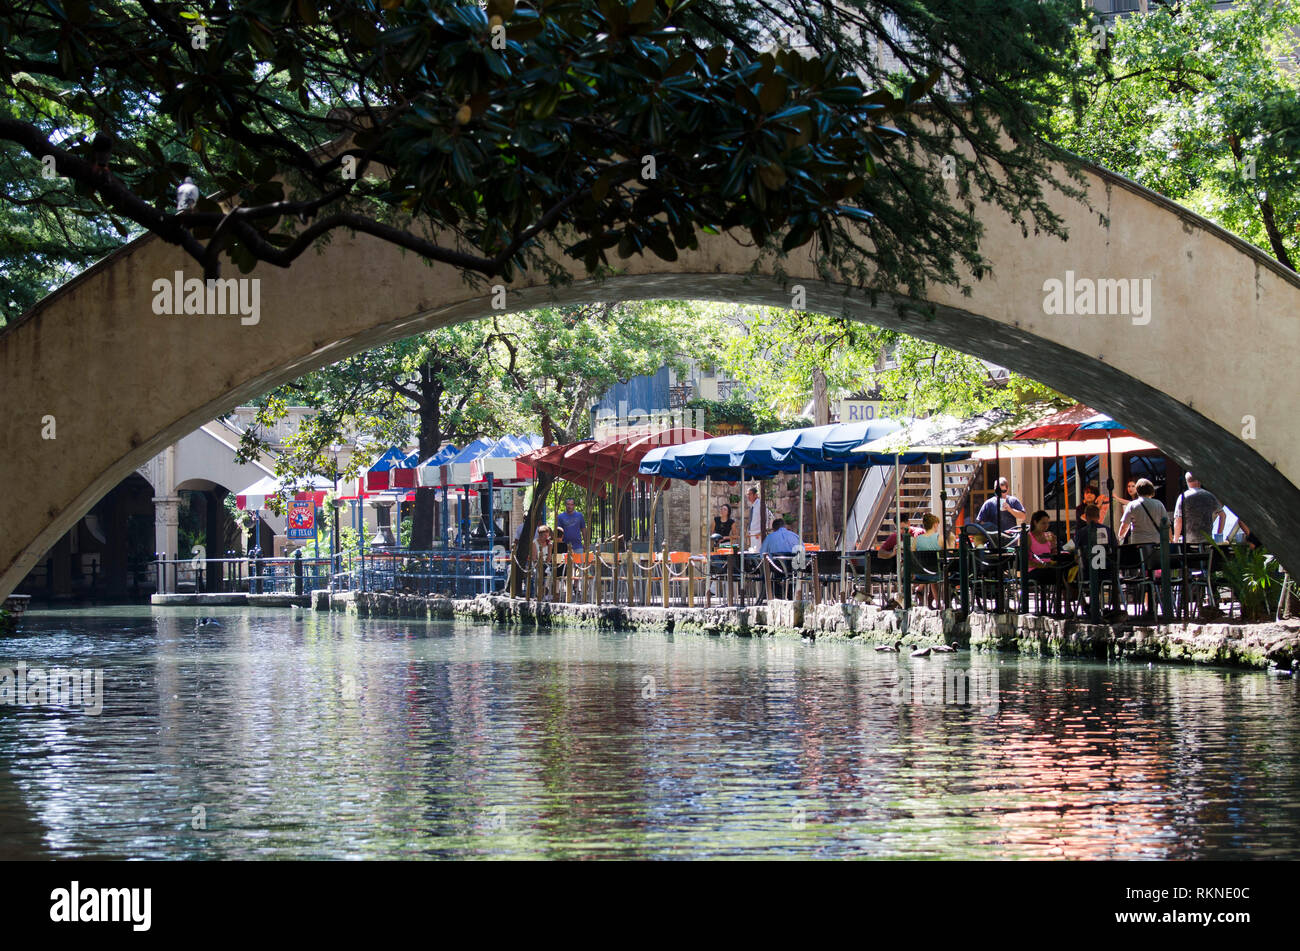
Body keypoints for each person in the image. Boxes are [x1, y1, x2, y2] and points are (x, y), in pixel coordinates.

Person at [1173, 471, 1225, 543]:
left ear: (1187, 482)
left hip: (1189, 541)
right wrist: (1219, 534)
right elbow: (1223, 516)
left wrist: (1175, 540)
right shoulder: (1210, 496)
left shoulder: (1183, 497)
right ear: (1199, 481)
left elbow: (1178, 521)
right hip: (1207, 540)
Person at [1117, 478, 1168, 545]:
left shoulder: (1132, 505)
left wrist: (1119, 538)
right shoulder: (1159, 504)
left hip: (1138, 544)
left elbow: (1124, 527)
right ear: (1151, 490)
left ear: (1137, 490)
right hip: (1156, 543)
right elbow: (1166, 525)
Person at [744, 486, 769, 551]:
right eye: (748, 494)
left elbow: (767, 517)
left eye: (750, 494)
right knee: (754, 552)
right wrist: (748, 530)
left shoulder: (760, 505)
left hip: (758, 534)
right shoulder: (753, 506)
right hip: (753, 534)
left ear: (755, 495)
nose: (748, 496)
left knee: (758, 552)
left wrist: (763, 531)